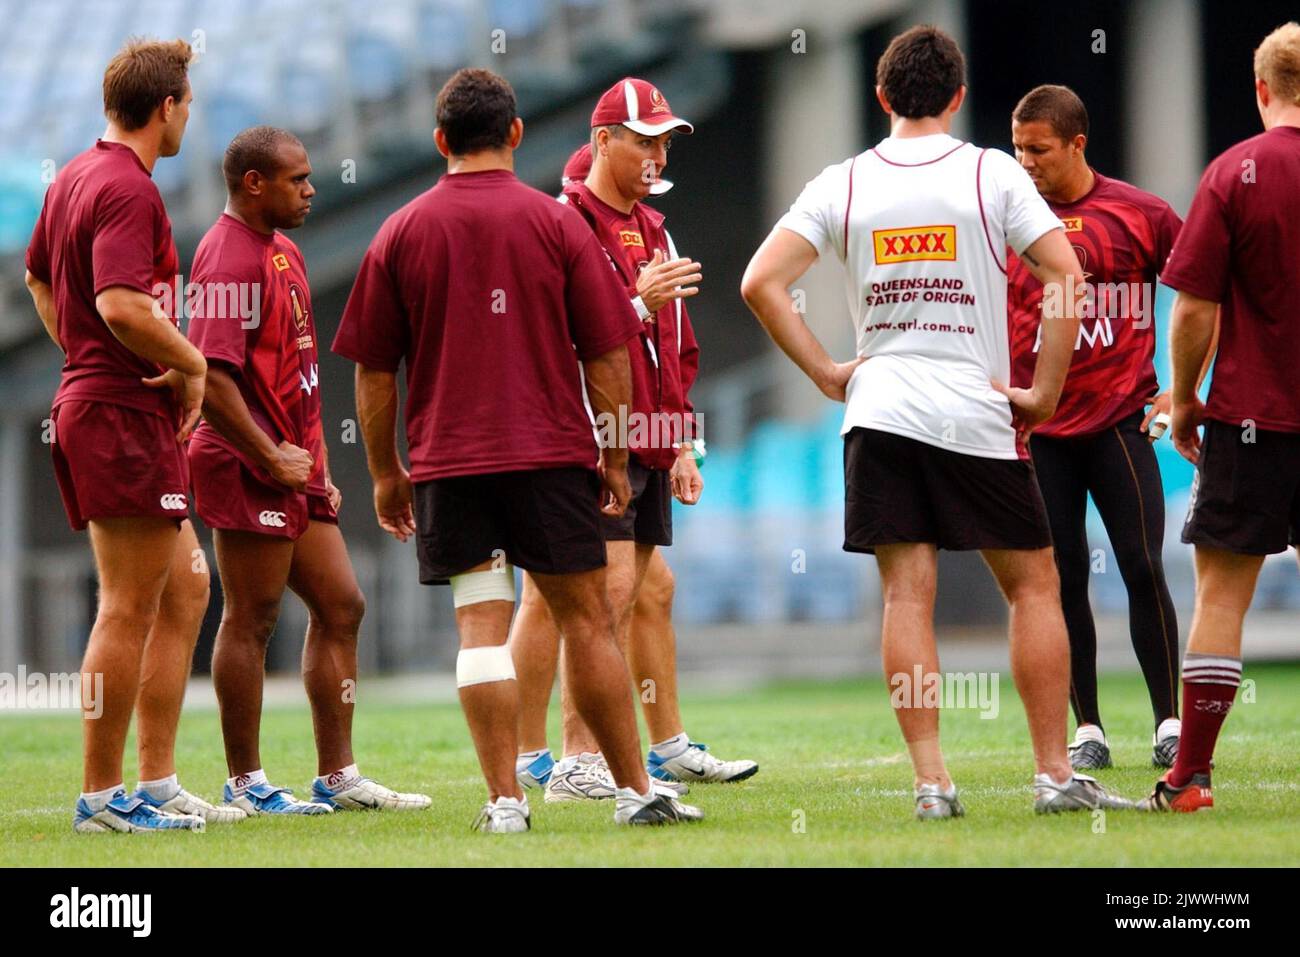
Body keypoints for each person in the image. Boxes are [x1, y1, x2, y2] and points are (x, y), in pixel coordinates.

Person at [741, 25, 1132, 818]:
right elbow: (1066, 272)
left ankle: (932, 784)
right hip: (975, 408)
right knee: (1034, 588)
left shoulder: (843, 181)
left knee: (905, 599)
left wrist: (827, 370)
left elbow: (759, 283)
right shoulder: (992, 172)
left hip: (879, 410)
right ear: (957, 96)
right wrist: (1046, 390)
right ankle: (1054, 775)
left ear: (882, 97)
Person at [332, 68, 702, 831]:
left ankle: (505, 803)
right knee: (589, 622)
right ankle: (637, 793)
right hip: (550, 456)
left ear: (439, 142)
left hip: (450, 463)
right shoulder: (558, 223)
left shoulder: (399, 230)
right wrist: (609, 457)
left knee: (480, 625)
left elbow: (373, 370)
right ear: (517, 135)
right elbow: (605, 350)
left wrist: (384, 473)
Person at [510, 87, 757, 803]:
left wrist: (682, 439)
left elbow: (677, 348)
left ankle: (630, 748)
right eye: (645, 140)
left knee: (626, 592)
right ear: (603, 139)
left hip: (645, 441)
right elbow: (550, 339)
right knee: (596, 598)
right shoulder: (560, 223)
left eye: (666, 143)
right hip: (587, 442)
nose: (658, 155)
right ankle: (572, 759)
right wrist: (638, 301)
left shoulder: (655, 228)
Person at [186, 127, 431, 816]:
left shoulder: (283, 251)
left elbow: (296, 375)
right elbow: (211, 378)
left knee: (342, 604)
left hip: (294, 470)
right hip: (246, 464)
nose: (311, 188)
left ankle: (337, 774)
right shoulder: (226, 256)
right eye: (297, 178)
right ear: (254, 183)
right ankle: (246, 782)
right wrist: (270, 455)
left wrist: (314, 464)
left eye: (310, 175)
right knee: (253, 616)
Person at [24, 37, 221, 833]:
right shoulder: (129, 189)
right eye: (186, 105)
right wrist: (193, 363)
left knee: (186, 585)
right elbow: (120, 305)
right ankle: (104, 798)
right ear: (166, 107)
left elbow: (40, 276)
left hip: (108, 401)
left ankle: (157, 779)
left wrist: (79, 354)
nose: (188, 120)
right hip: (118, 413)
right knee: (128, 604)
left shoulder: (74, 173)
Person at [1140, 22, 1300, 812]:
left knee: (1222, 596)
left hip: (1251, 422)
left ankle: (1190, 778)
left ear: (1262, 89)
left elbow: (1194, 307)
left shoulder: (1236, 169)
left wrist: (1185, 398)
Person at [1007, 84, 1188, 770]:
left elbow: (1204, 293)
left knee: (1143, 566)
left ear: (1078, 144)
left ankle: (1168, 720)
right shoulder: (1004, 220)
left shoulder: (1142, 213)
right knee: (1061, 579)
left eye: (1039, 150)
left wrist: (1182, 386)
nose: (1025, 162)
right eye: (1017, 148)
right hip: (1041, 430)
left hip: (1119, 421)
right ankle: (1088, 728)